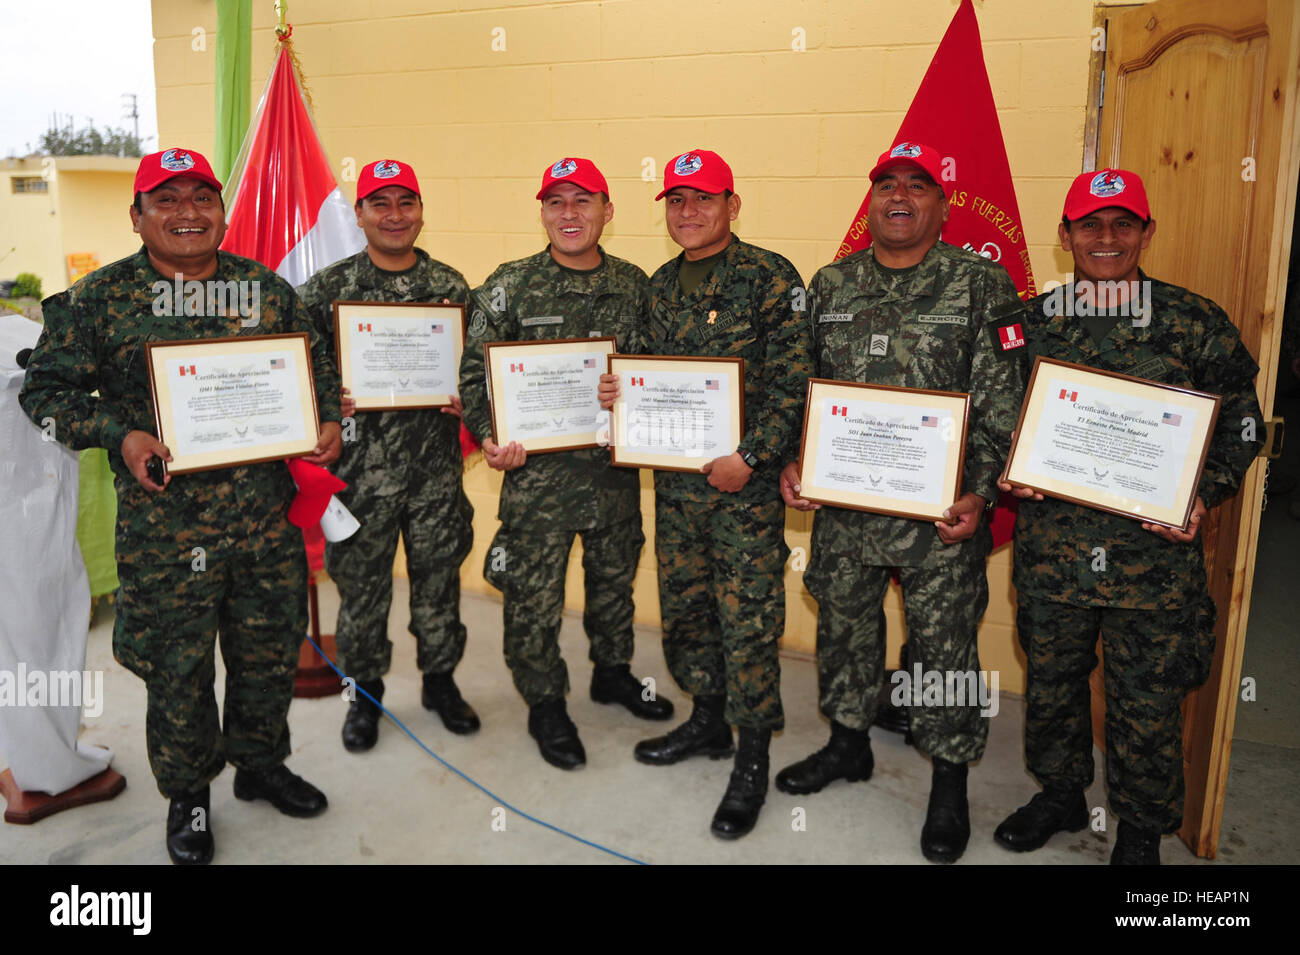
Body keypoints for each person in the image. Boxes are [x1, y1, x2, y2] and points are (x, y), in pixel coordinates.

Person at [20, 148, 343, 865]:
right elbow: (45, 396)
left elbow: (318, 371)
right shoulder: (95, 302)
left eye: (202, 197)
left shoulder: (267, 291)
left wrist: (326, 425)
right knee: (178, 668)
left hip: (264, 521)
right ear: (136, 216)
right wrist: (120, 433)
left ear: (222, 213)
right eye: (166, 200)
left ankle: (260, 765)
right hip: (165, 532)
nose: (187, 212)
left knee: (265, 653)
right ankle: (189, 794)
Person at [993, 169, 1263, 865]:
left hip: (1152, 561)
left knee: (1146, 699)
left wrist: (1205, 492)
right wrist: (1007, 464)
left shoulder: (1193, 321)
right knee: (1052, 684)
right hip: (1053, 551)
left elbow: (1243, 423)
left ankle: (1141, 827)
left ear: (1146, 231)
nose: (1105, 238)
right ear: (1066, 235)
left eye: (1122, 223)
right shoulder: (1031, 323)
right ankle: (1060, 792)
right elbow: (997, 414)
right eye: (1090, 224)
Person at [779, 142, 1027, 863]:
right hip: (847, 510)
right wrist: (796, 458)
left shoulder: (981, 285)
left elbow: (1001, 407)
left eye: (917, 186)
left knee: (946, 646)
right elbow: (804, 387)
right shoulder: (830, 285)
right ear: (871, 201)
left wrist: (981, 490)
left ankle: (948, 780)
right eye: (886, 183)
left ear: (942, 204)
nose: (899, 196)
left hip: (941, 516)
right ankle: (848, 743)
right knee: (845, 629)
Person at [600, 149, 812, 839]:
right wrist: (617, 393)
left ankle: (751, 755)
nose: (688, 213)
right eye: (676, 201)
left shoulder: (771, 278)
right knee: (687, 608)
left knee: (747, 618)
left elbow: (791, 385)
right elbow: (645, 376)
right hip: (676, 487)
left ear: (733, 204)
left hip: (742, 492)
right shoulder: (658, 286)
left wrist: (751, 457)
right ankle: (707, 720)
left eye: (703, 199)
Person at [458, 157, 673, 770]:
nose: (570, 214)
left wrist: (630, 391)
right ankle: (545, 701)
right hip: (537, 482)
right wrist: (489, 436)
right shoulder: (510, 285)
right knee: (534, 597)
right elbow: (476, 376)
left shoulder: (637, 285)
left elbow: (662, 373)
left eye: (584, 201)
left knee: (614, 587)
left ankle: (612, 672)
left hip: (613, 477)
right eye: (557, 202)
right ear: (542, 213)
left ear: (608, 210)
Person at [297, 159, 478, 752]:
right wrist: (328, 400)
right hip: (357, 478)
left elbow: (477, 371)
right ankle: (365, 694)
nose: (395, 215)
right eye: (381, 203)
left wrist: (466, 398)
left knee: (438, 585)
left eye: (406, 203)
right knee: (362, 593)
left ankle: (440, 683)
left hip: (435, 477)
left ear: (421, 212)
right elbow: (293, 366)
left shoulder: (453, 289)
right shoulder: (326, 290)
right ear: (360, 215)